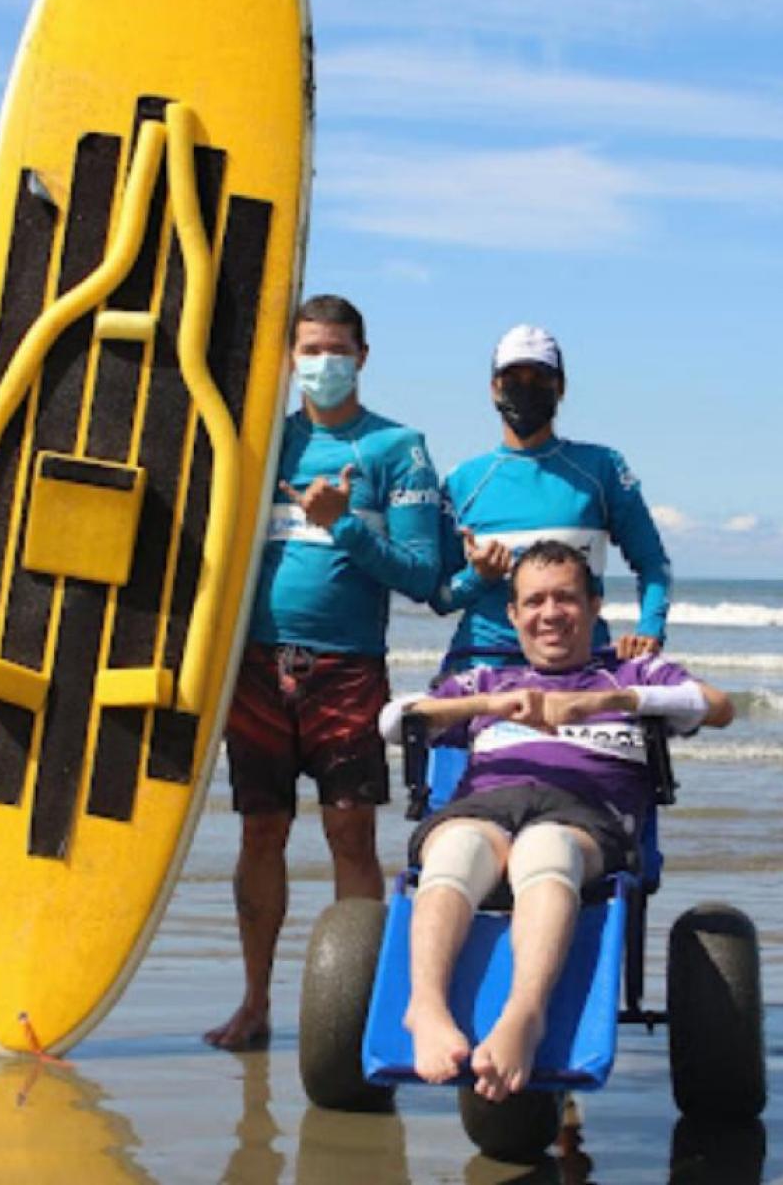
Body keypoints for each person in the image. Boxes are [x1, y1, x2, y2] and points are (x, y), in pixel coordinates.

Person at [380, 539, 732, 1101]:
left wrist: (603, 704)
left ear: (594, 606)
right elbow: (395, 721)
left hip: (584, 816)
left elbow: (716, 706)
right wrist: (489, 708)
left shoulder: (632, 672)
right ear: (513, 614)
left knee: (543, 850)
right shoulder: (487, 682)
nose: (550, 614)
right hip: (488, 807)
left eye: (565, 599)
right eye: (534, 601)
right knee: (454, 851)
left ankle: (525, 1014)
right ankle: (424, 1006)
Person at [205, 294, 441, 1051]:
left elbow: (422, 574)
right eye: (309, 350)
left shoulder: (398, 449)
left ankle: (358, 1014)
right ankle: (253, 1004)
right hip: (258, 667)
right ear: (289, 358)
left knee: (349, 834)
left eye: (337, 350)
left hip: (348, 671)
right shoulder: (261, 445)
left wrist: (342, 522)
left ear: (363, 357)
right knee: (260, 832)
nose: (323, 363)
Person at [434, 324, 673, 668]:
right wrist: (478, 577)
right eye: (514, 378)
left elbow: (653, 564)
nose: (526, 388)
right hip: (482, 667)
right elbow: (441, 597)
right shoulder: (463, 481)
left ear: (560, 388)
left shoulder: (602, 467)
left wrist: (650, 631)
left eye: (539, 378)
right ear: (494, 388)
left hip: (581, 666)